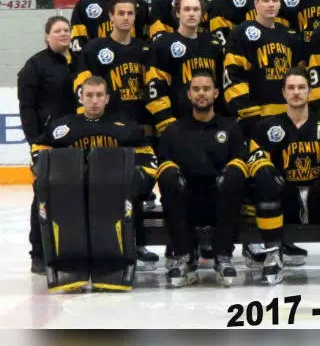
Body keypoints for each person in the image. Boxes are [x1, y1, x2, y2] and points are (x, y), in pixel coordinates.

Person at [30, 76, 158, 274]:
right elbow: (39, 149)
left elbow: (147, 156)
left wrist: (140, 178)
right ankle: (39, 254)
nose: (94, 100)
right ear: (81, 97)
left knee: (131, 192)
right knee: (40, 195)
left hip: (113, 190)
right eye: (89, 95)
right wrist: (44, 172)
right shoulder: (62, 127)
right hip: (72, 190)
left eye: (99, 95)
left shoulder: (126, 127)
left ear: (107, 98)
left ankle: (136, 246)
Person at [246, 68, 320, 284]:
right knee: (265, 181)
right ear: (283, 93)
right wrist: (267, 172)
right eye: (290, 88)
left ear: (310, 92)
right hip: (285, 198)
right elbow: (255, 160)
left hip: (319, 197)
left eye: (301, 87)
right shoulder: (265, 127)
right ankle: (273, 252)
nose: (296, 92)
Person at [156, 71, 248, 287]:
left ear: (216, 93)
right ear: (189, 94)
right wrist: (175, 178)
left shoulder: (231, 128)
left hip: (220, 199)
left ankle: (223, 256)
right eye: (196, 89)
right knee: (168, 178)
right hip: (186, 199)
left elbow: (242, 159)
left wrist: (228, 176)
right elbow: (163, 162)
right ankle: (184, 256)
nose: (201, 94)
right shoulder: (173, 130)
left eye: (206, 89)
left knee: (234, 177)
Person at [17, 16, 79, 274]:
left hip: (76, 140)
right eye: (57, 31)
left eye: (66, 30)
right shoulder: (35, 65)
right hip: (47, 143)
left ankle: (69, 249)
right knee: (43, 195)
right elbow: (27, 108)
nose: (63, 34)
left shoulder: (78, 61)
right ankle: (38, 253)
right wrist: (35, 141)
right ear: (47, 36)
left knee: (74, 195)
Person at [223, 0, 308, 136]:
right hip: (255, 117)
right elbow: (232, 76)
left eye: (275, 0)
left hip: (288, 116)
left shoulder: (289, 35)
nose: (271, 5)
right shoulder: (241, 33)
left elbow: (298, 76)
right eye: (266, 0)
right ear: (256, 3)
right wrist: (249, 113)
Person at [145, 0, 224, 135]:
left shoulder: (213, 44)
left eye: (196, 9)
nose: (192, 14)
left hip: (210, 123)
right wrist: (167, 122)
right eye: (187, 9)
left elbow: (220, 85)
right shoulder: (162, 45)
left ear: (202, 14)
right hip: (177, 123)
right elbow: (155, 87)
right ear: (178, 13)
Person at [73, 0, 150, 128]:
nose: (126, 17)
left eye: (130, 13)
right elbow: (82, 85)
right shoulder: (94, 49)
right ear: (111, 16)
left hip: (140, 124)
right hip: (107, 125)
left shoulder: (146, 49)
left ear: (135, 17)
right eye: (121, 13)